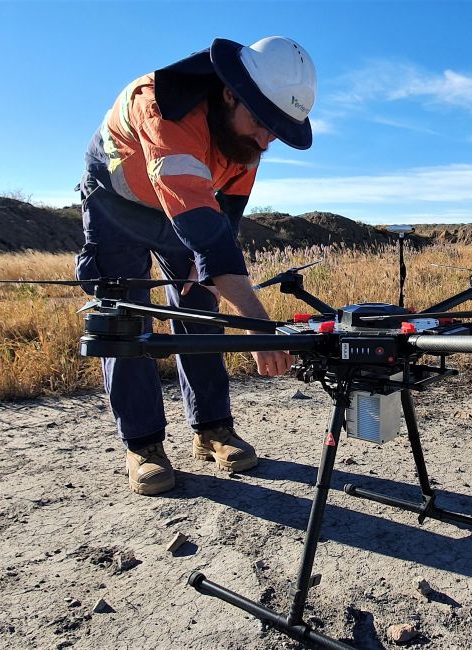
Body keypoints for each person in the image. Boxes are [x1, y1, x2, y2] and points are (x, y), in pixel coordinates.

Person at [75, 36, 316, 495]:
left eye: (278, 131)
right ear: (230, 93)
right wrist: (259, 326)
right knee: (122, 318)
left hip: (186, 203)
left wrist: (206, 268)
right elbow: (203, 225)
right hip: (116, 204)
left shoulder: (246, 137)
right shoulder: (164, 110)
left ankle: (212, 430)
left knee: (201, 307)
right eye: (264, 123)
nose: (267, 140)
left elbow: (224, 222)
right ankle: (143, 446)